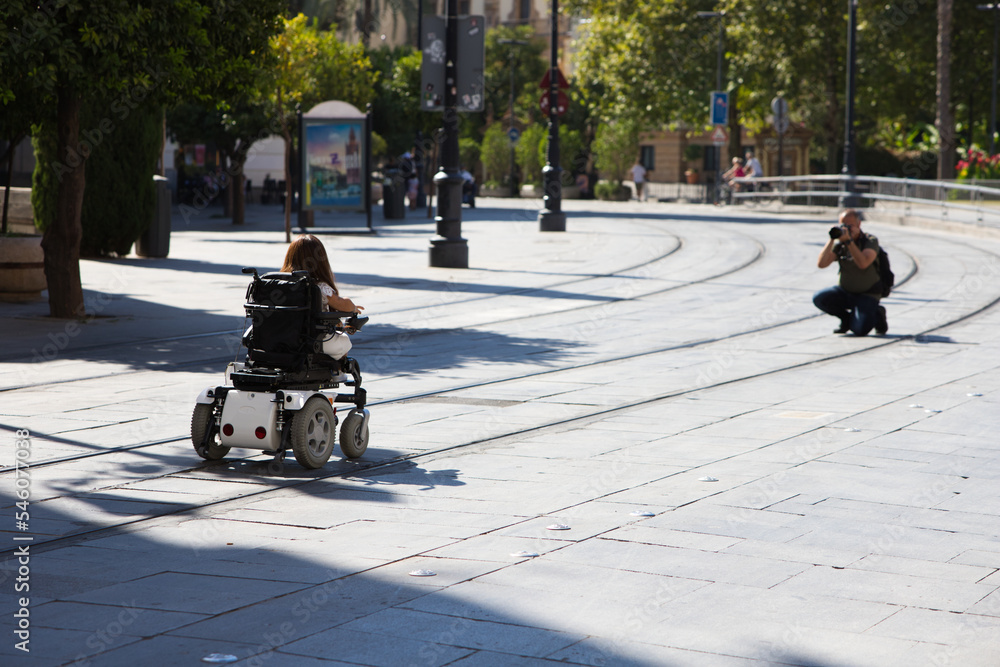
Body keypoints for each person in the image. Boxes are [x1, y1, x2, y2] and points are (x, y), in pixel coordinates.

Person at [281, 234, 364, 359]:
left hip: (281, 338)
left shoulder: (280, 283)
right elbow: (343, 304)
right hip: (312, 340)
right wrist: (353, 308)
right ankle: (336, 372)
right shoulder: (318, 286)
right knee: (344, 341)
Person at [813, 209, 888, 336]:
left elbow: (863, 263)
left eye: (850, 225)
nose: (846, 228)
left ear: (859, 224)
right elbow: (822, 264)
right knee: (820, 298)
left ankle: (877, 313)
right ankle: (846, 319)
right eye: (843, 225)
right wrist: (832, 239)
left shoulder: (869, 240)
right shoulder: (840, 244)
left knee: (860, 330)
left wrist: (849, 242)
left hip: (867, 294)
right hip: (846, 292)